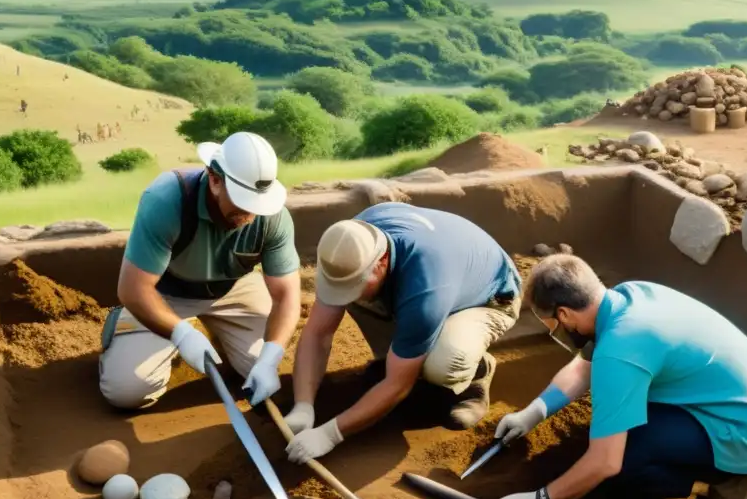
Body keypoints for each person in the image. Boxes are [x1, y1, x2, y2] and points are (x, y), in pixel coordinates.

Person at [486, 254, 747, 499]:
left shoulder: (620, 350)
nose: (553, 331)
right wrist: (535, 411)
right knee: (620, 422)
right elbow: (584, 366)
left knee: (620, 473)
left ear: (564, 314)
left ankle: (731, 480)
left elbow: (605, 462)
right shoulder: (629, 296)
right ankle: (725, 465)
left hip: (745, 434)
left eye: (550, 323)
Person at [284, 202, 522, 464]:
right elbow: (318, 334)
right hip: (437, 278)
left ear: (382, 261)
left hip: (489, 297)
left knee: (444, 361)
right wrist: (302, 406)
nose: (347, 293)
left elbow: (397, 385)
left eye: (356, 282)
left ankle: (476, 376)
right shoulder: (348, 246)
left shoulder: (426, 288)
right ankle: (407, 356)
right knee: (359, 298)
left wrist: (329, 434)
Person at [99, 132, 301, 410]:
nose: (252, 215)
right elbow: (132, 288)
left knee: (266, 372)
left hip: (234, 289)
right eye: (243, 201)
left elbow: (287, 295)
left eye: (258, 203)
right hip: (167, 292)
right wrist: (182, 334)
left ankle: (219, 337)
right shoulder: (167, 200)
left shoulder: (272, 216)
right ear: (215, 180)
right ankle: (134, 329)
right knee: (127, 391)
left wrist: (270, 358)